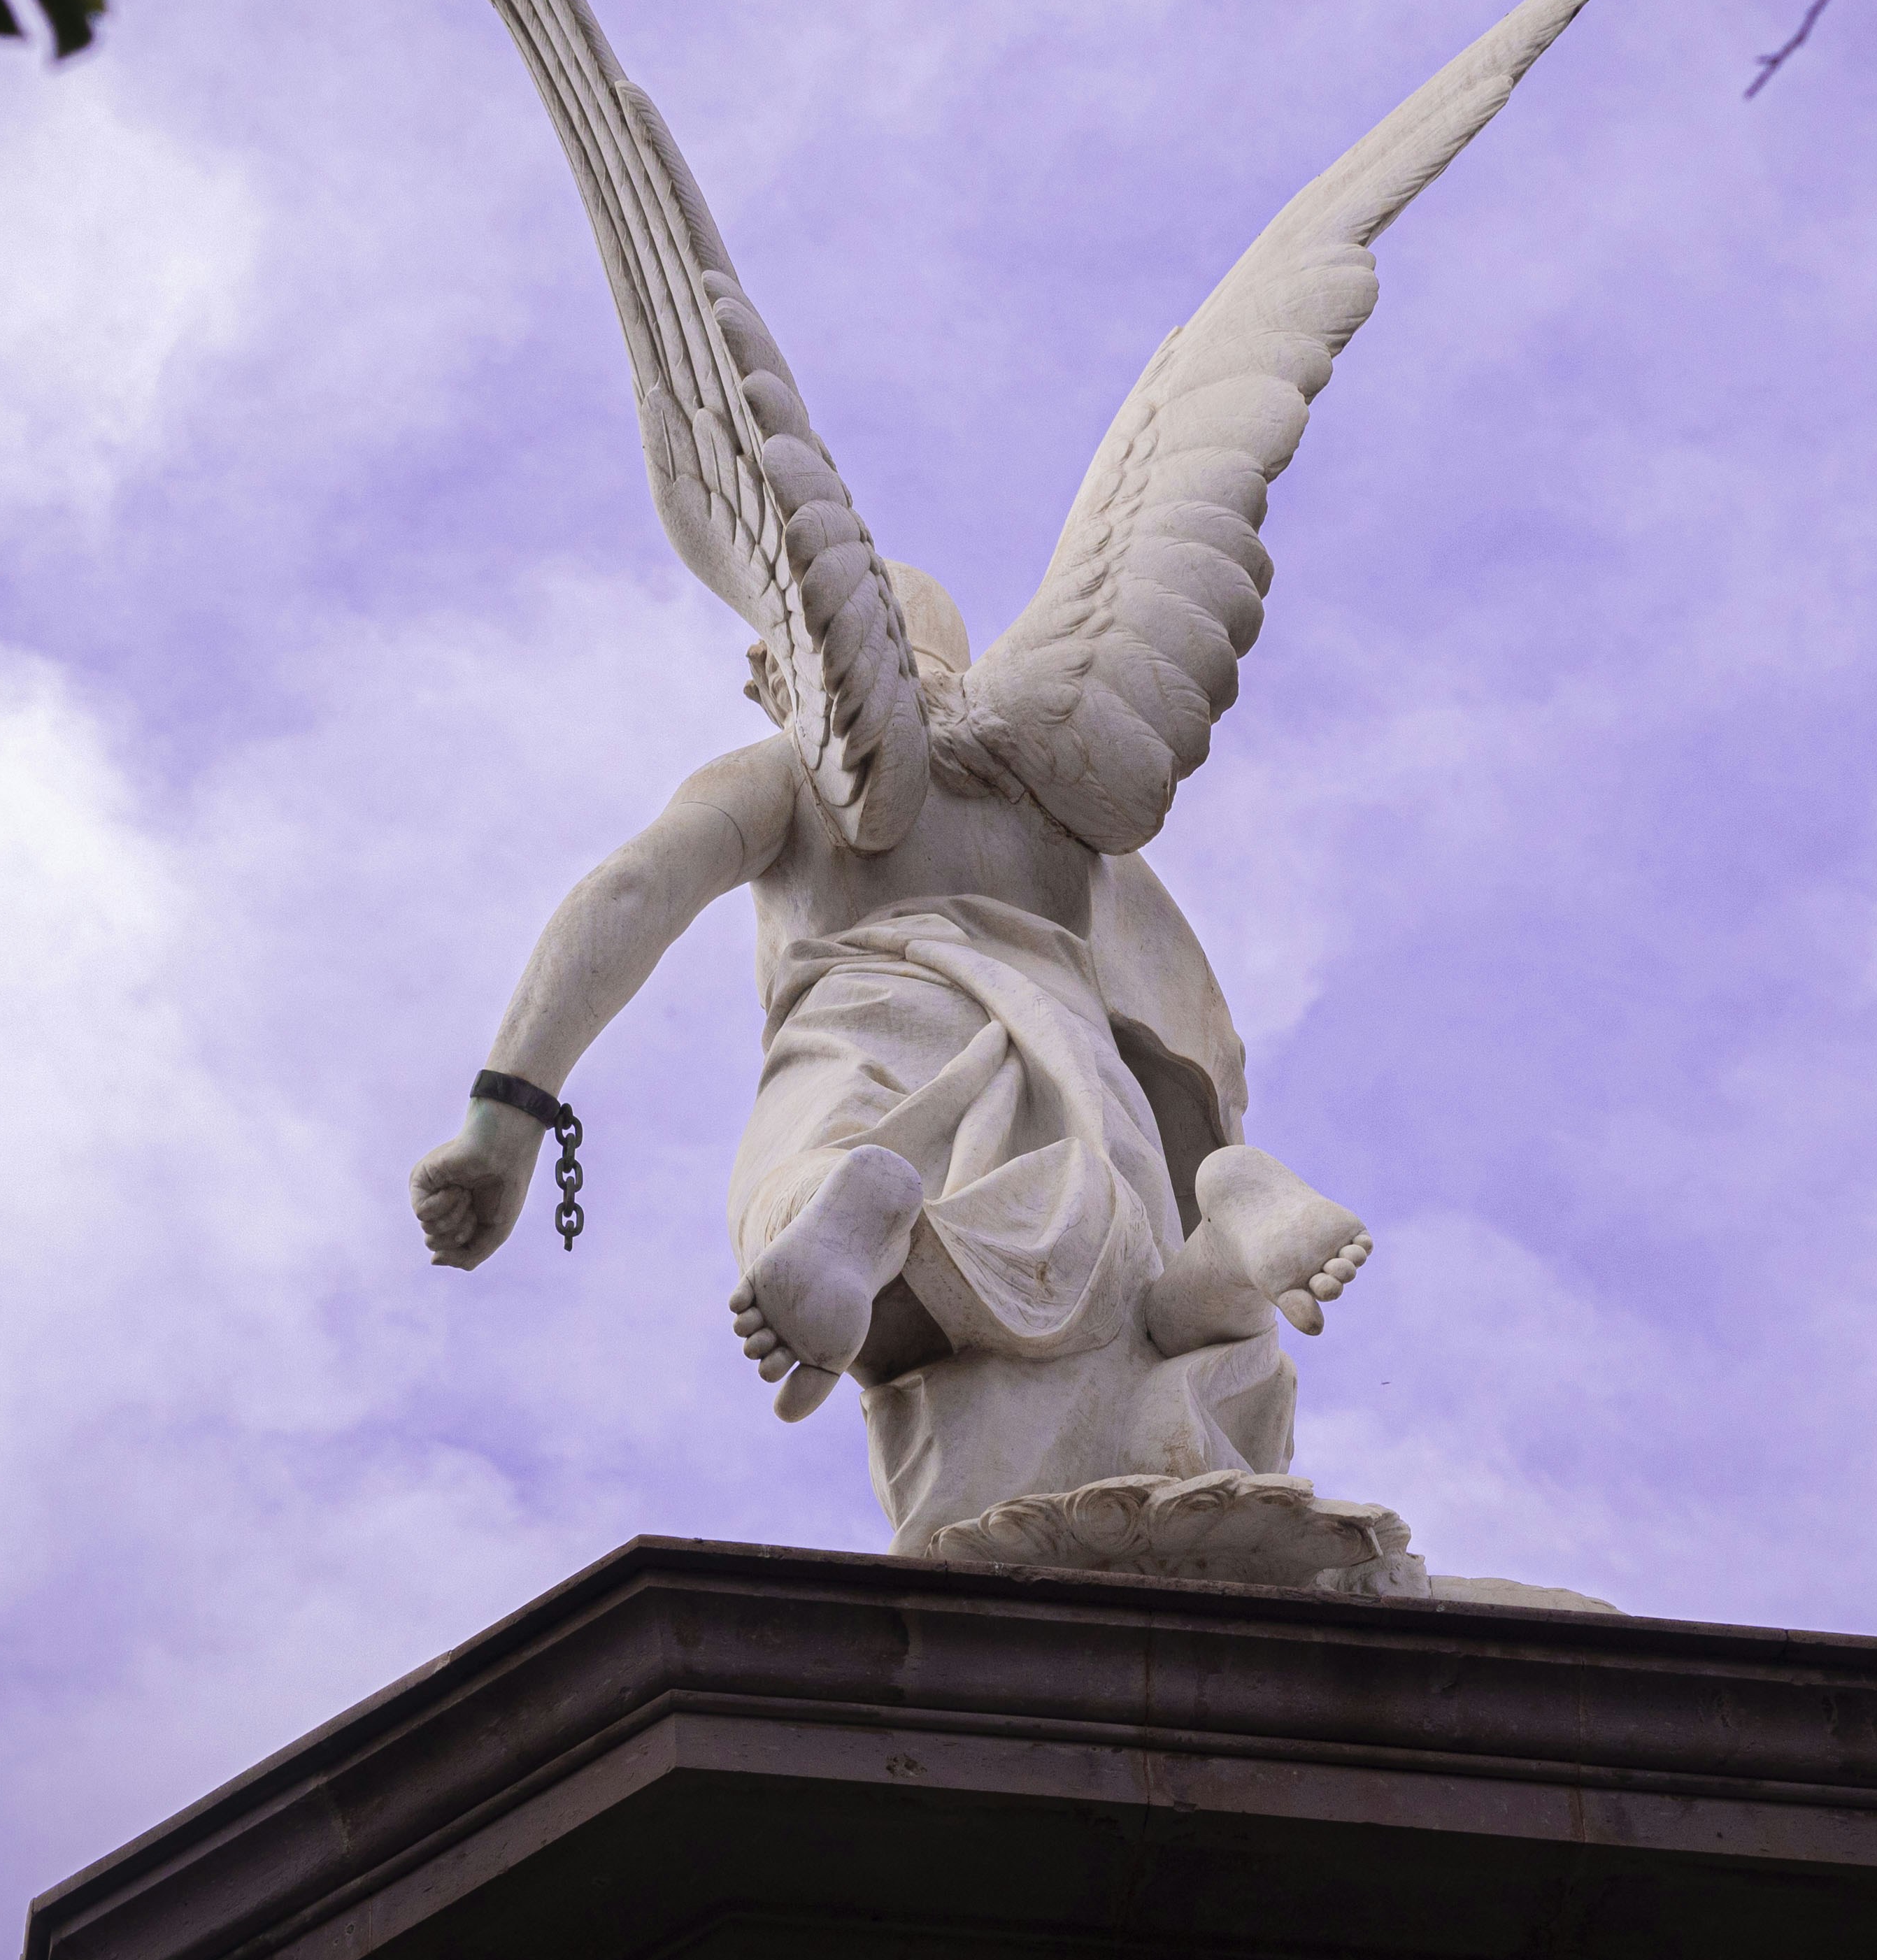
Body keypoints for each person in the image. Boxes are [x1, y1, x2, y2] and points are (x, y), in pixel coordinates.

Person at [407, 566, 1373, 1553]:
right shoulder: (1057, 796)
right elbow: (1180, 1012)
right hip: (1078, 1070)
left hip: (870, 1036)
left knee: (827, 1234)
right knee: (1136, 1327)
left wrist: (507, 1112)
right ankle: (1221, 1249)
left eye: (769, 671)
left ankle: (858, 1207)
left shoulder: (798, 768)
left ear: (809, 659)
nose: (766, 695)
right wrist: (1206, 1139)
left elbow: (635, 890)